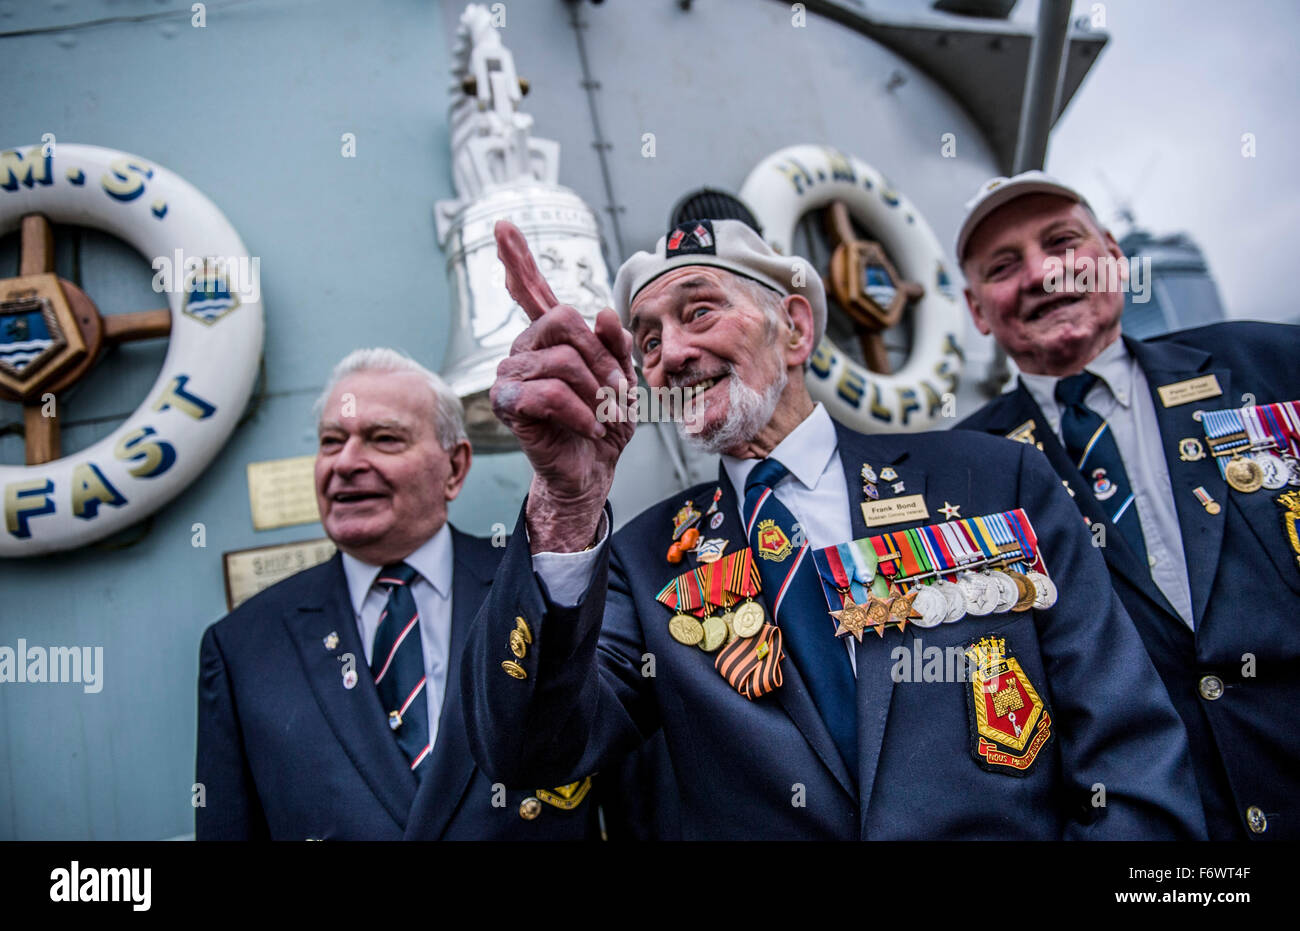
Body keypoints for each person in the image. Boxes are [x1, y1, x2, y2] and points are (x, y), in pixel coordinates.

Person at [460, 217, 1207, 839]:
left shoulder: (990, 479)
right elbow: (532, 748)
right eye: (648, 342)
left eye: (699, 311)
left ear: (794, 327)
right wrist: (566, 502)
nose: (673, 354)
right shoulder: (641, 559)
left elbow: (1127, 746)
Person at [954, 171, 1300, 840]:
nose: (1042, 273)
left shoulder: (1274, 365)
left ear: (1112, 255)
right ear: (976, 309)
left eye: (1062, 241)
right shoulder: (960, 475)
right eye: (1004, 265)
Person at [195, 348, 601, 839]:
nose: (345, 463)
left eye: (383, 439)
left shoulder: (547, 590)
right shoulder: (243, 646)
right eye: (330, 441)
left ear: (454, 469)